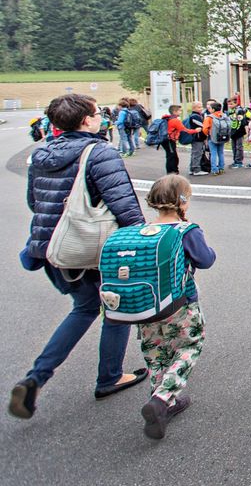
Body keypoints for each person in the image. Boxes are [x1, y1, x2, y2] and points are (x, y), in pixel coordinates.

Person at [10, 93, 149, 420]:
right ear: (87, 120)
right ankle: (110, 376)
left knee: (84, 308)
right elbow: (125, 206)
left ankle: (37, 377)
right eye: (96, 112)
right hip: (92, 248)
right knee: (116, 307)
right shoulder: (100, 152)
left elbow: (35, 202)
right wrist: (141, 240)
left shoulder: (41, 151)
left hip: (52, 249)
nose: (100, 116)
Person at [136, 175, 216, 439]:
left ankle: (161, 401)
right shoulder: (186, 230)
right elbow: (205, 260)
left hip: (147, 307)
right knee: (190, 345)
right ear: (183, 202)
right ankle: (162, 399)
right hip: (181, 303)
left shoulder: (144, 231)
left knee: (156, 352)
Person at [159, 104, 190, 175]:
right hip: (170, 140)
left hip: (166, 140)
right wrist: (195, 131)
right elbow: (184, 129)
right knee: (172, 156)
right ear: (174, 111)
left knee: (171, 156)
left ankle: (173, 171)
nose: (180, 112)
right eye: (179, 111)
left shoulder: (167, 118)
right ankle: (172, 172)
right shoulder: (175, 120)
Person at [201, 101, 229, 175]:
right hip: (223, 136)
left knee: (213, 153)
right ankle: (221, 168)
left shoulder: (209, 117)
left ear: (213, 109)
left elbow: (205, 128)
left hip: (212, 137)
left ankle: (214, 170)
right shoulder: (224, 116)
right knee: (221, 153)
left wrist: (208, 134)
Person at [185, 102, 207, 176]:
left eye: (201, 107)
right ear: (194, 108)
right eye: (199, 107)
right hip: (197, 137)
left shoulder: (197, 115)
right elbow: (203, 125)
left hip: (197, 137)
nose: (201, 109)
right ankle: (196, 169)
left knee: (195, 153)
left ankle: (192, 169)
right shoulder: (195, 116)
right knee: (197, 153)